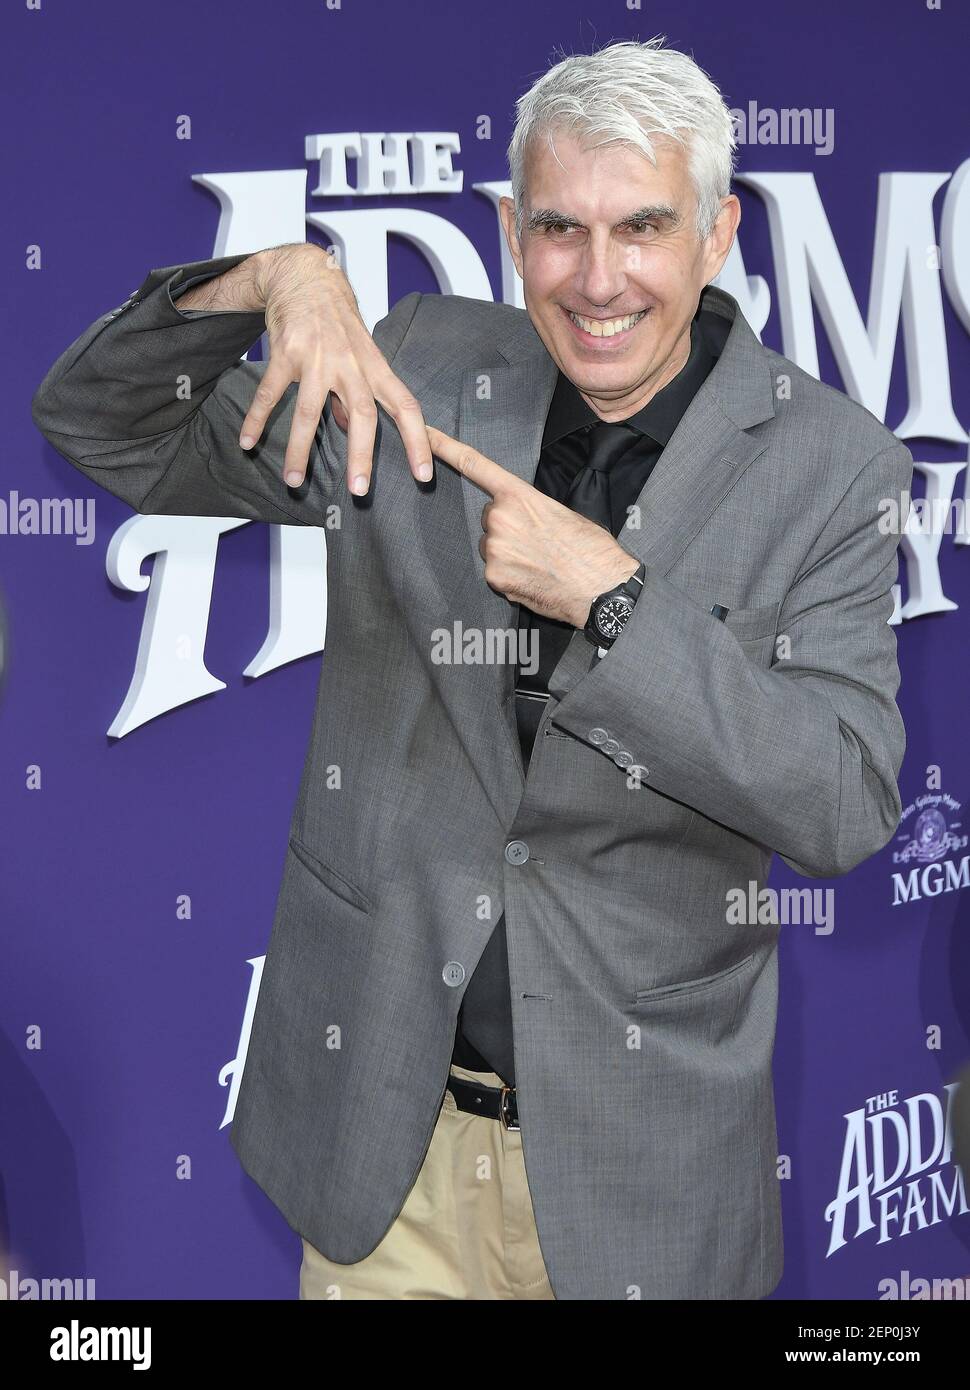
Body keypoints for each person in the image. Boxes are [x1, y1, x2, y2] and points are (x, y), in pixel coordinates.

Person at [31, 36, 912, 1300]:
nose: (597, 278)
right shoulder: (420, 371)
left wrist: (613, 604)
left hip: (639, 1179)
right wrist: (274, 278)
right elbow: (100, 422)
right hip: (389, 1151)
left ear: (717, 232)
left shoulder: (834, 468)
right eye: (558, 228)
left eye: (642, 228)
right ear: (509, 227)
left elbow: (840, 803)